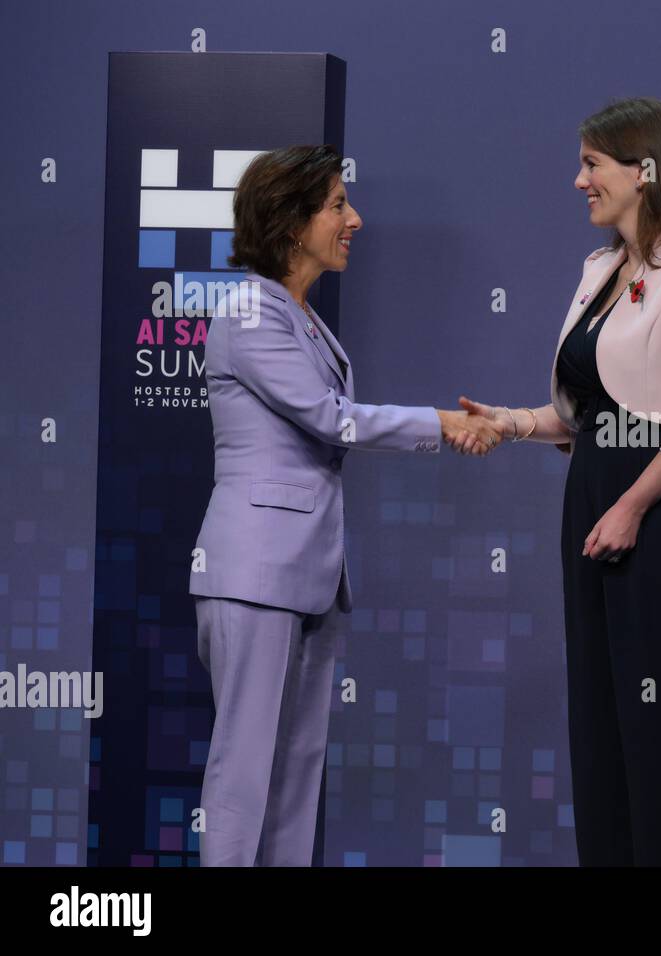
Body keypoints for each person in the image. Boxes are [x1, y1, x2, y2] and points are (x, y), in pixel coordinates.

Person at [458, 97, 661, 865]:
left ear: (644, 170)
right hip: (595, 508)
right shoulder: (599, 271)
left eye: (592, 164)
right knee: (606, 724)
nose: (578, 180)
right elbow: (593, 413)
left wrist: (632, 503)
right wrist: (513, 422)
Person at [188, 144, 501, 866]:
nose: (353, 218)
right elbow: (331, 419)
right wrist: (441, 423)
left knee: (296, 776)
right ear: (292, 223)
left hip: (312, 576)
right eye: (336, 206)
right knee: (243, 772)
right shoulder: (248, 313)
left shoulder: (302, 318)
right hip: (254, 573)